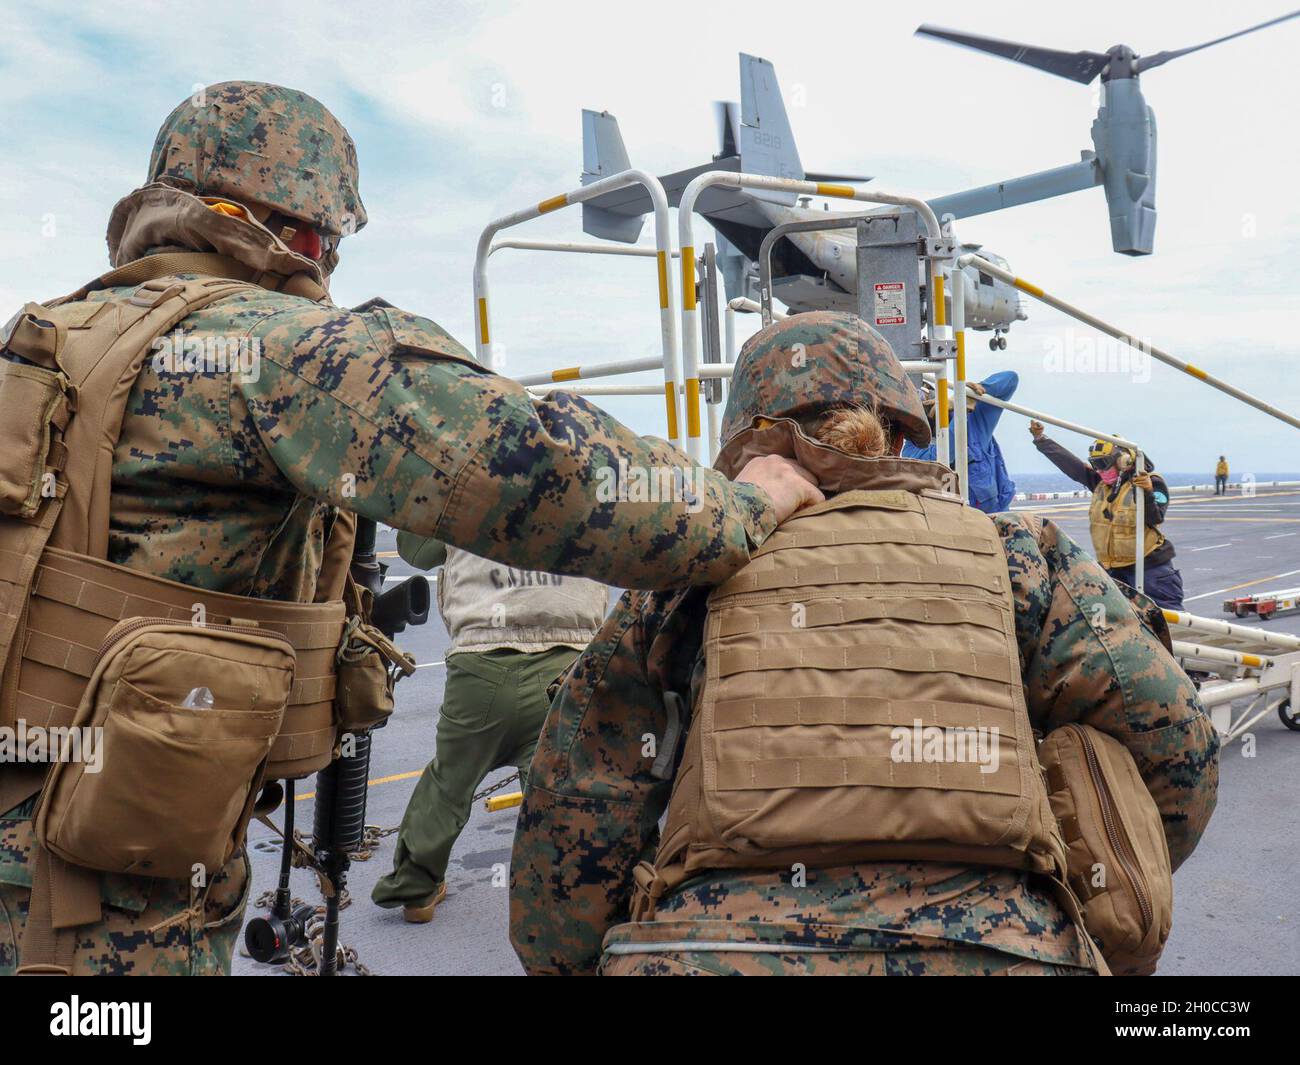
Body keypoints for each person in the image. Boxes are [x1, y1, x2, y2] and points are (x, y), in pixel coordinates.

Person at [0, 82, 822, 976]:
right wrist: (749, 502)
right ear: (305, 229)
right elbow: (543, 471)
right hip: (88, 880)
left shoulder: (50, 340)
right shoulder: (278, 349)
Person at [509, 311, 1219, 976]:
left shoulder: (681, 586)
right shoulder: (1018, 557)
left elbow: (575, 810)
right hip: (1002, 947)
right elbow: (1176, 749)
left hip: (713, 949)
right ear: (903, 437)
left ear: (747, 447)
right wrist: (1090, 905)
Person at [372, 533, 608, 922]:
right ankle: (562, 892)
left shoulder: (466, 482)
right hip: (569, 662)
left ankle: (416, 889)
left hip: (480, 664)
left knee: (448, 784)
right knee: (555, 787)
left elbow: (414, 550)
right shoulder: (588, 481)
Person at [1029, 420, 1184, 610]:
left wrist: (1147, 493)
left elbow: (1156, 517)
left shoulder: (1151, 483)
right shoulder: (1101, 485)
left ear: (1123, 460)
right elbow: (1072, 466)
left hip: (1150, 570)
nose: (1099, 470)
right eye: (1095, 465)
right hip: (1113, 572)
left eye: (1103, 463)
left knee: (1170, 623)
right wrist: (1041, 440)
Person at [903, 370, 1018, 512]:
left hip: (993, 516)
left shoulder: (975, 421)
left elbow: (1011, 379)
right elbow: (946, 454)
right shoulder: (911, 449)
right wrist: (960, 406)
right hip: (953, 520)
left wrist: (977, 390)